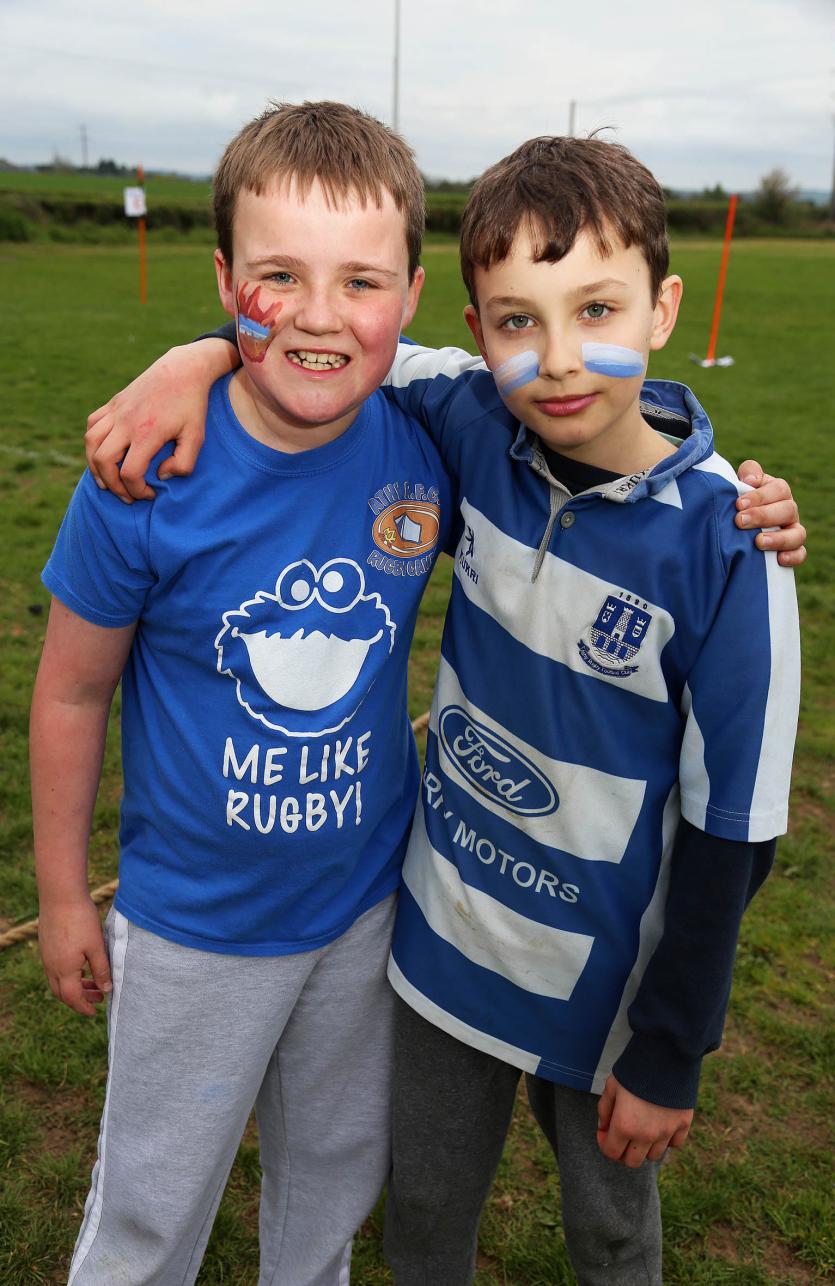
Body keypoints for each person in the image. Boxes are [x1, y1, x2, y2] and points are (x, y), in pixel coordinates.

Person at [83, 132, 805, 1285]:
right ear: (475, 332)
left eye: (597, 310)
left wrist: (670, 1045)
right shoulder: (468, 422)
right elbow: (330, 335)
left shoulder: (732, 547)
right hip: (438, 943)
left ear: (664, 308)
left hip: (609, 980)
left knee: (613, 1236)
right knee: (419, 1213)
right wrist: (197, 355)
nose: (558, 359)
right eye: (517, 319)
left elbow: (738, 827)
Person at [31, 101, 452, 1286]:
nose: (319, 314)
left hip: (368, 908)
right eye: (278, 276)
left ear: (410, 294)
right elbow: (70, 694)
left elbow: (585, 433)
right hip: (193, 931)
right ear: (225, 277)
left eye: (359, 280)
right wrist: (64, 898)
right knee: (153, 1207)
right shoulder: (144, 473)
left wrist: (733, 488)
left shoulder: (428, 447)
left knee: (328, 1185)